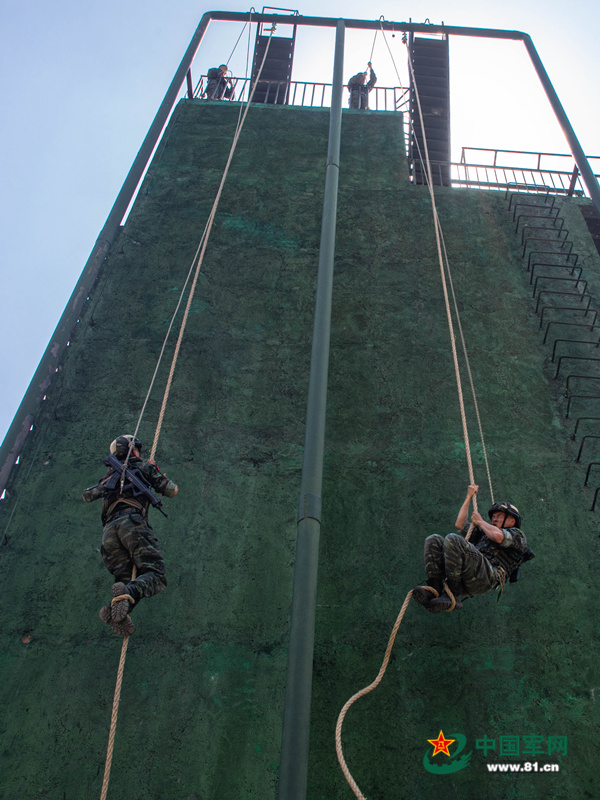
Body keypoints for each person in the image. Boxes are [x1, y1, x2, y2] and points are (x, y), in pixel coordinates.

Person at [83, 434, 178, 636]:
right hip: (132, 524)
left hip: (109, 535)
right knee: (156, 574)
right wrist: (154, 468)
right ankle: (125, 596)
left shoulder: (109, 477)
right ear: (134, 450)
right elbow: (171, 490)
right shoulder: (143, 467)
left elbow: (88, 494)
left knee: (128, 582)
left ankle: (114, 611)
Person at [412, 485, 528, 613]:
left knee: (453, 539)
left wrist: (481, 521)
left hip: (486, 578)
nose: (494, 519)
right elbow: (460, 524)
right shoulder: (485, 533)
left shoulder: (518, 535)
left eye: (499, 516)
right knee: (434, 540)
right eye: (493, 516)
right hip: (468, 574)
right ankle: (434, 589)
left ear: (512, 521)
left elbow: (498, 536)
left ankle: (453, 594)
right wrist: (468, 497)